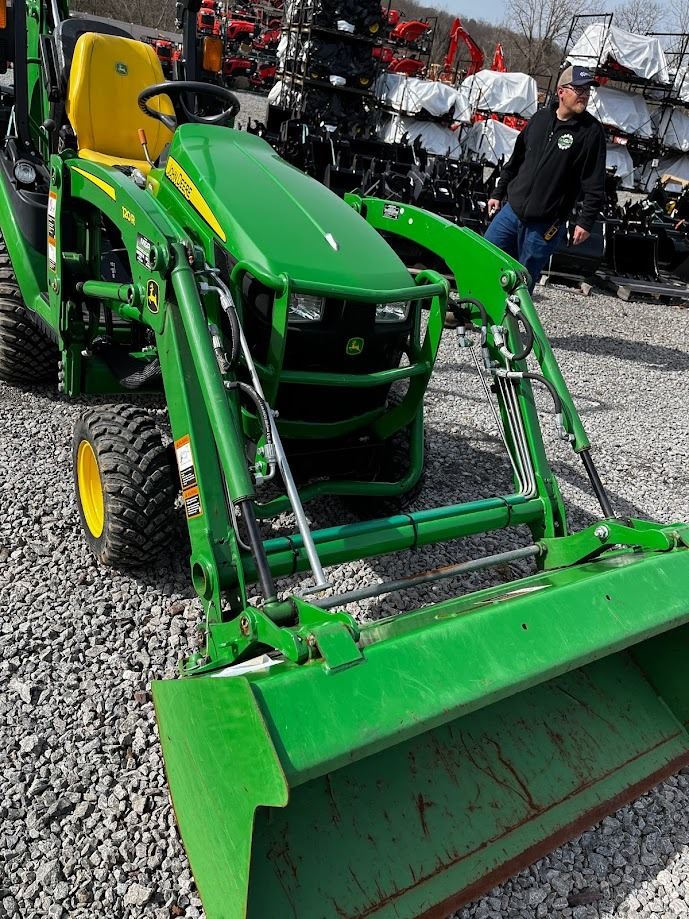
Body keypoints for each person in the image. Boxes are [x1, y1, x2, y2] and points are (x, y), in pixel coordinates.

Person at [482, 64, 606, 294]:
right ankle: (477, 308)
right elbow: (515, 161)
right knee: (484, 256)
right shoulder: (539, 119)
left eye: (587, 90)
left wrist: (585, 222)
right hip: (512, 212)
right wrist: (498, 193)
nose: (585, 95)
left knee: (521, 281)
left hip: (545, 224)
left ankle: (509, 317)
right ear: (561, 91)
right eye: (579, 90)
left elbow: (595, 183)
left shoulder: (590, 132)